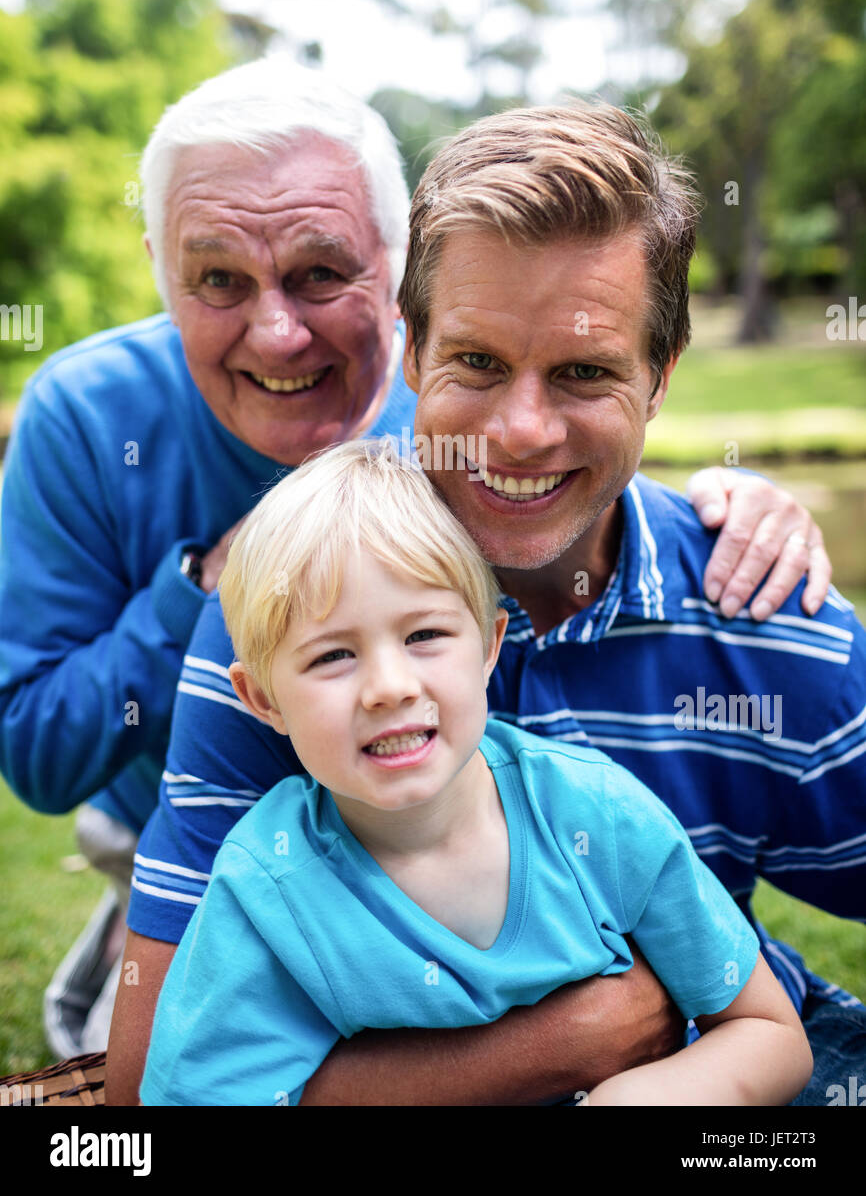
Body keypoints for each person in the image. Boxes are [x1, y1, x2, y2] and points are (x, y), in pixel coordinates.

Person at [109, 101, 863, 1107]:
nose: (519, 431)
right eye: (477, 362)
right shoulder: (295, 610)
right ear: (412, 350)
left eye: (585, 372)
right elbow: (150, 1091)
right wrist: (567, 1044)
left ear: (659, 378)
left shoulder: (767, 614)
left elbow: (767, 1037)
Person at [140, 439, 812, 1107]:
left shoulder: (596, 816)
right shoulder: (269, 888)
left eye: (424, 636)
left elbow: (767, 1032)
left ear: (489, 646)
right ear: (262, 699)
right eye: (333, 656)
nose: (390, 687)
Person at [0, 55, 418, 1056]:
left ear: (399, 264)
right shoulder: (84, 415)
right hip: (178, 855)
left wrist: (722, 506)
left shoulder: (466, 396)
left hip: (440, 851)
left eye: (320, 273)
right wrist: (209, 588)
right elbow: (39, 753)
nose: (276, 335)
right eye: (219, 280)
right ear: (161, 269)